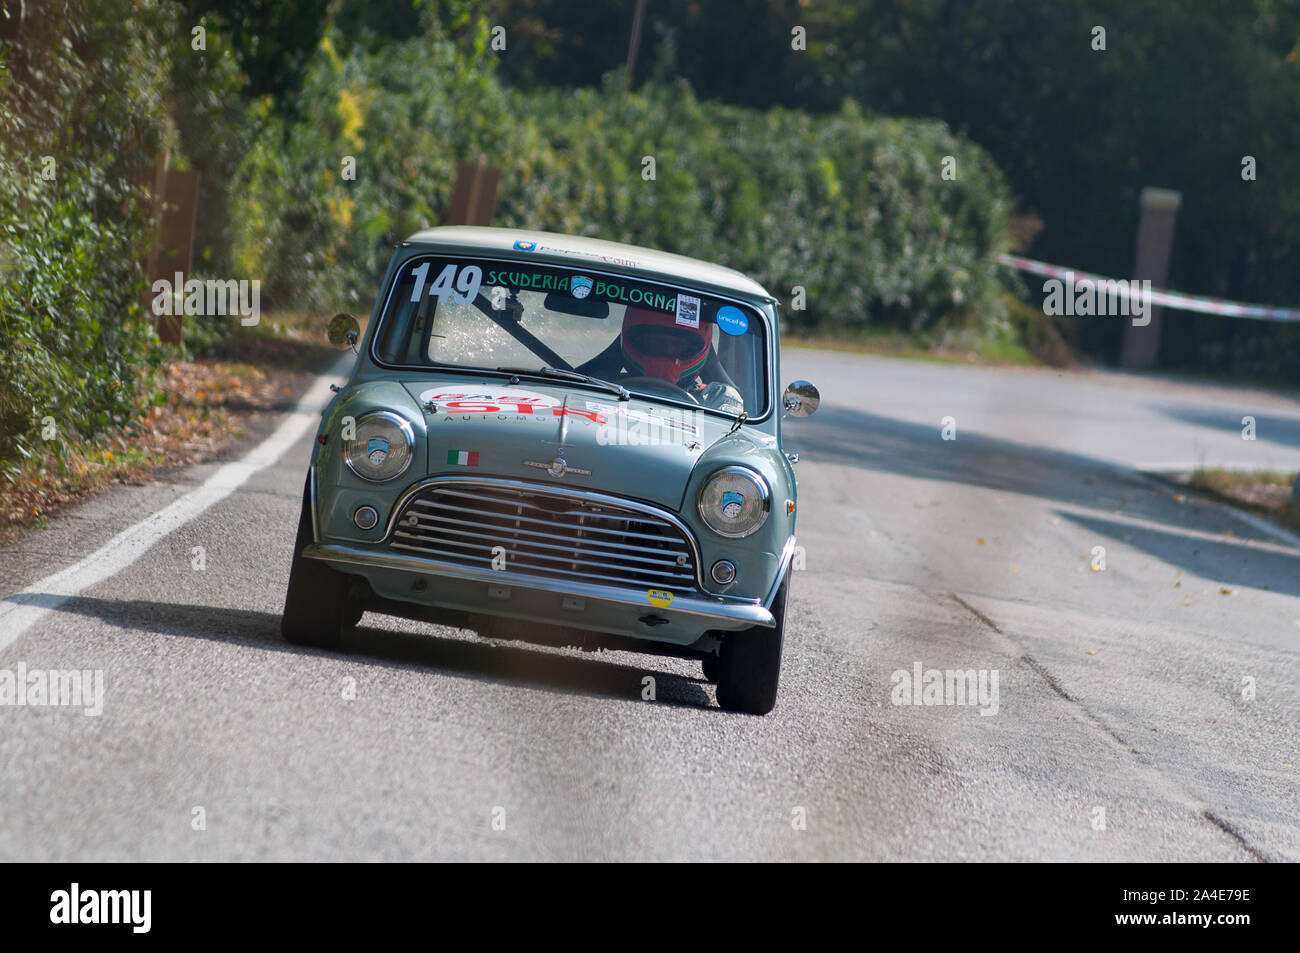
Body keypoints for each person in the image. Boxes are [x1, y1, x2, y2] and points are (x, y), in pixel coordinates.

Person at [578, 305, 744, 412]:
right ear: (637, 340)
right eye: (656, 342)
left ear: (696, 348)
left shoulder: (717, 399)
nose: (668, 350)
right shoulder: (598, 386)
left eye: (678, 345)